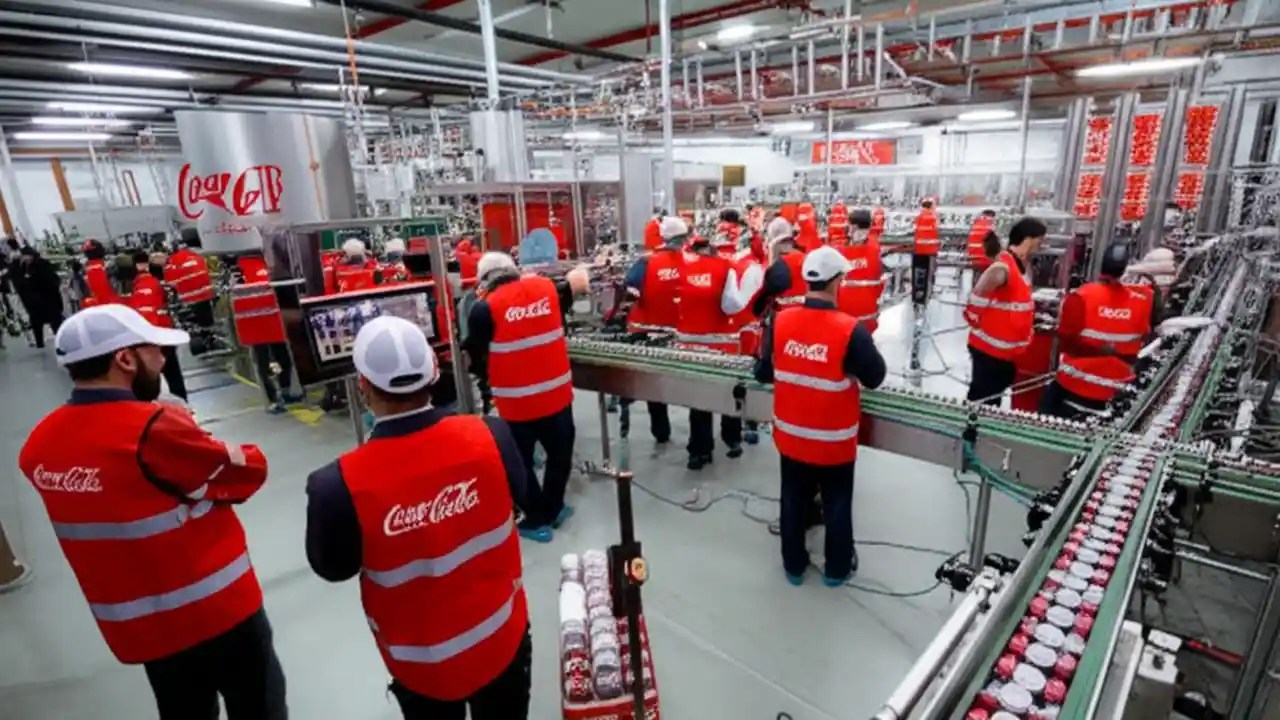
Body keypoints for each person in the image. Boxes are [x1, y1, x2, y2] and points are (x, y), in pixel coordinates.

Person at [17, 304, 286, 720]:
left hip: (144, 631)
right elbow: (249, 470)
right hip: (219, 614)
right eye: (153, 349)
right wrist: (188, 430)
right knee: (257, 706)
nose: (163, 359)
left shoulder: (38, 446)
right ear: (125, 359)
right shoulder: (155, 428)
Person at [305, 316, 532, 720]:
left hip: (420, 670)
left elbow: (334, 568)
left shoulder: (336, 486)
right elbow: (525, 497)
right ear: (433, 374)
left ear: (362, 387)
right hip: (502, 641)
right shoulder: (492, 435)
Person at [754, 246, 886, 586]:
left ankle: (793, 566)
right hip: (833, 441)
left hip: (791, 436)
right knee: (837, 504)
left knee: (793, 499)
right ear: (837, 280)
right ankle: (837, 569)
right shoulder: (849, 329)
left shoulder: (781, 321)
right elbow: (875, 376)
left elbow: (764, 371)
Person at [464, 252, 589, 543]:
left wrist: (485, 378)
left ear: (485, 279)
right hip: (557, 397)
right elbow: (576, 284)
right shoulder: (547, 289)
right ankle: (555, 506)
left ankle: (535, 519)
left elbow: (476, 354)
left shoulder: (484, 309)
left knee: (521, 463)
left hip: (516, 404)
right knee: (560, 457)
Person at [1040, 243, 1160, 419]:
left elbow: (1066, 342)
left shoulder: (1080, 297)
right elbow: (1147, 330)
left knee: (1046, 406)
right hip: (1118, 389)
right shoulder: (1143, 300)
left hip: (1074, 385)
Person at [675, 227, 757, 470]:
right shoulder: (725, 270)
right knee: (726, 393)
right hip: (720, 342)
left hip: (690, 343)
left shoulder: (684, 270)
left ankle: (699, 451)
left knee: (698, 398)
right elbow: (732, 305)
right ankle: (731, 440)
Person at [618, 216, 686, 444]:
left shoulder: (646, 263)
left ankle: (660, 430)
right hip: (680, 331)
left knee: (652, 383)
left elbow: (629, 293)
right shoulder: (692, 261)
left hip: (647, 329)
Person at [965, 217, 1044, 406]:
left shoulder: (1023, 268)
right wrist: (978, 323)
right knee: (983, 402)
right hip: (989, 352)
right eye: (1039, 241)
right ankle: (972, 433)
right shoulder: (1002, 268)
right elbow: (975, 300)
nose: (1041, 245)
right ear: (1027, 239)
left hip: (1005, 353)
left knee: (994, 400)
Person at [233, 255, 303, 414]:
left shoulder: (266, 267)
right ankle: (272, 399)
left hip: (269, 321)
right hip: (255, 324)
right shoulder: (237, 271)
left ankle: (284, 392)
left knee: (281, 358)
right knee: (265, 364)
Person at [125, 250, 187, 401]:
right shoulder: (149, 282)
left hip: (157, 337)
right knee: (172, 374)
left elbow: (147, 314)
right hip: (164, 333)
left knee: (151, 377)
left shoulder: (144, 285)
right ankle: (182, 403)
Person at [836, 209, 884, 334]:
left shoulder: (842, 251)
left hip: (848, 317)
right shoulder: (875, 249)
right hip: (867, 316)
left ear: (853, 227)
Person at [752, 217, 807, 315]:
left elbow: (770, 288)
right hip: (806, 312)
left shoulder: (779, 263)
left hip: (783, 315)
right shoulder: (804, 258)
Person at [15, 246, 66, 349]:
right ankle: (40, 342)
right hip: (37, 301)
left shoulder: (41, 264)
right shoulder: (26, 266)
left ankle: (62, 340)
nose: (24, 258)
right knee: (37, 322)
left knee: (54, 320)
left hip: (48, 298)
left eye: (25, 256)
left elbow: (50, 279)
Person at [165, 229, 216, 329]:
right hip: (206, 296)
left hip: (187, 300)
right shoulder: (204, 254)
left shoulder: (173, 260)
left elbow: (170, 282)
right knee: (209, 325)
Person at [912, 199, 941, 306]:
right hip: (930, 252)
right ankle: (926, 297)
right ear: (932, 206)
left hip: (918, 250)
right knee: (929, 276)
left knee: (918, 275)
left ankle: (916, 297)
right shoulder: (934, 217)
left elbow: (915, 231)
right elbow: (937, 233)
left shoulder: (918, 217)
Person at [81, 239, 119, 308]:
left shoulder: (84, 271)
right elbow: (116, 287)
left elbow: (83, 293)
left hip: (94, 308)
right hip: (112, 306)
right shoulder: (109, 267)